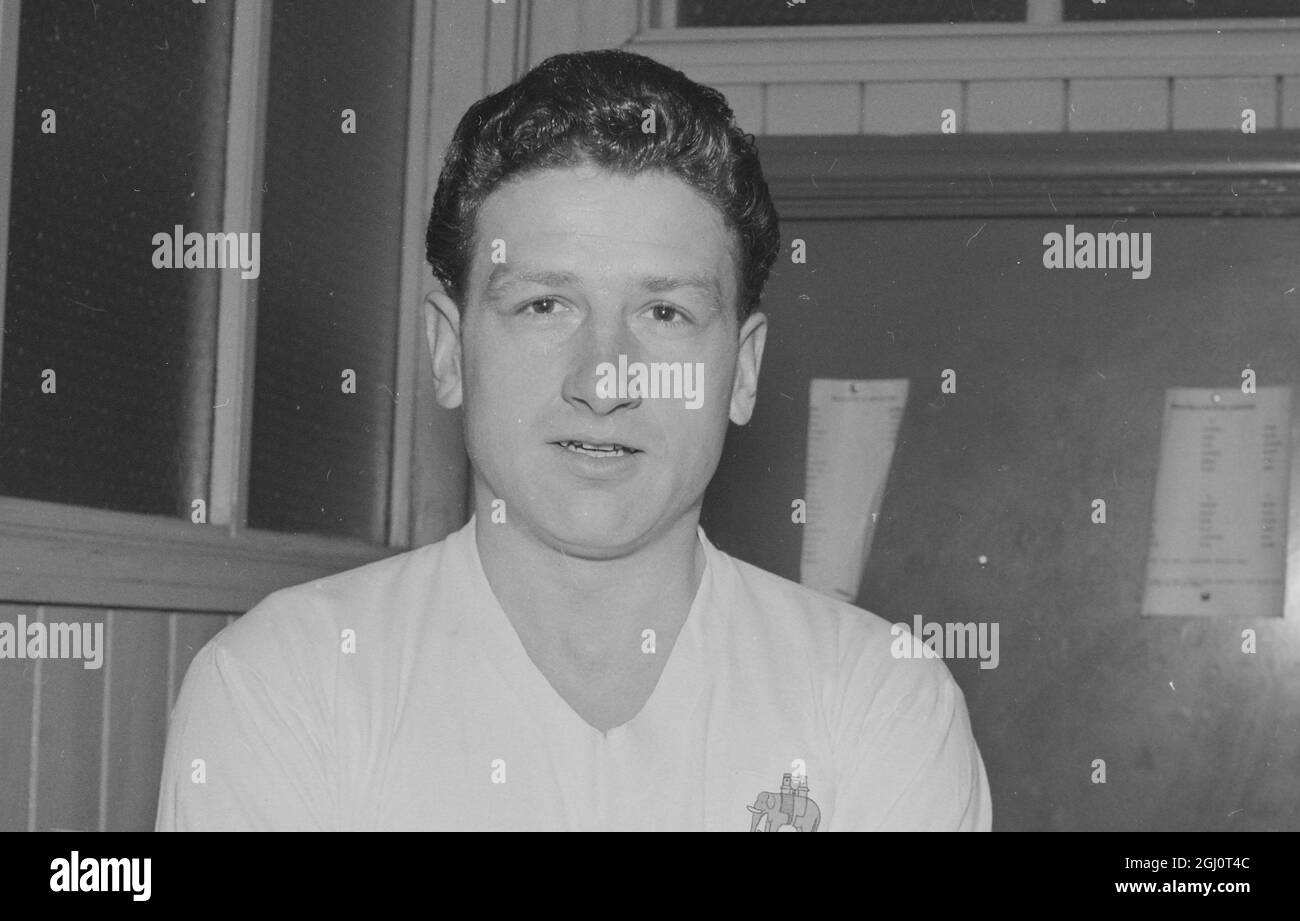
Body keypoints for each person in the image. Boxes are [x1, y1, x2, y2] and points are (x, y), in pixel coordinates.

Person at [156, 49, 991, 831]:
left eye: (664, 313)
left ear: (740, 371)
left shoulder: (878, 697)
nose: (603, 379)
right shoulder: (284, 683)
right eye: (544, 306)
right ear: (450, 352)